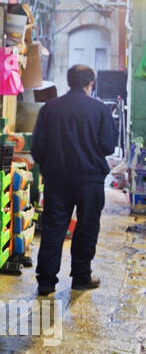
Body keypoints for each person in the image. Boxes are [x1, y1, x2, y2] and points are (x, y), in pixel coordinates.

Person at [30, 64, 116, 296]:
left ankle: (46, 283)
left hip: (57, 179)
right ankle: (81, 277)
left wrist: (48, 167)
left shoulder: (49, 108)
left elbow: (37, 147)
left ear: (69, 82)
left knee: (54, 229)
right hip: (90, 181)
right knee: (87, 228)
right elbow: (109, 146)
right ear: (91, 84)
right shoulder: (100, 110)